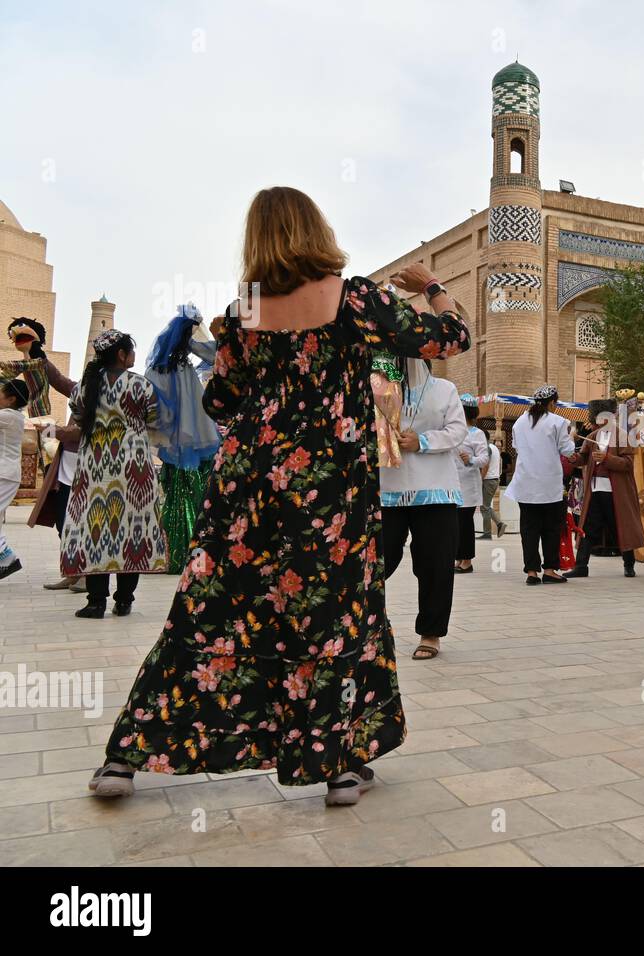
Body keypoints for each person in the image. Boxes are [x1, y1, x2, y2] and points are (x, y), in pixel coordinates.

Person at [89, 185, 471, 805]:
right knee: (337, 618)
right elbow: (452, 336)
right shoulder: (357, 300)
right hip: (332, 496)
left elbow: (221, 401)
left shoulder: (245, 309)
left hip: (249, 490)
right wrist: (432, 286)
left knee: (206, 615)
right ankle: (341, 767)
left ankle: (123, 762)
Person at [377, 308, 468, 662]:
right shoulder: (379, 389)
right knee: (376, 561)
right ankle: (371, 624)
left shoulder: (444, 389)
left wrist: (423, 441)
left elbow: (457, 431)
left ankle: (430, 633)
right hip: (388, 490)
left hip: (436, 490)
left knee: (434, 564)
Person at [60, 331, 168, 617]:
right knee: (132, 529)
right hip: (133, 466)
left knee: (94, 530)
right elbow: (156, 420)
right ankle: (124, 600)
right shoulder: (141, 386)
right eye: (130, 351)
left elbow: (79, 418)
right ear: (121, 355)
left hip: (94, 467)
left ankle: (96, 602)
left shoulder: (84, 386)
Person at [144, 304, 223, 574]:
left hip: (174, 446)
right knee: (193, 499)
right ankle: (190, 556)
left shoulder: (159, 370)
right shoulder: (184, 369)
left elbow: (154, 410)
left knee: (176, 500)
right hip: (196, 444)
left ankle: (175, 556)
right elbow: (216, 354)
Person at [13, 331, 84, 590]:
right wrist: (35, 353)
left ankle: (86, 575)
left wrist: (50, 430)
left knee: (79, 525)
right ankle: (72, 572)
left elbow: (82, 431)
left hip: (87, 470)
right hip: (65, 469)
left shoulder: (104, 398)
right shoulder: (81, 390)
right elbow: (57, 379)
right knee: (63, 523)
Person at [567, 397, 644, 579]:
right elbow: (583, 457)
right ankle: (581, 566)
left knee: (620, 526)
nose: (598, 422)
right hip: (594, 490)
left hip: (616, 492)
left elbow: (628, 464)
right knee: (587, 526)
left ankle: (629, 564)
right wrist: (574, 459)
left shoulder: (623, 436)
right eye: (596, 418)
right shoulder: (592, 436)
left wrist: (606, 459)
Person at [506, 385, 574, 585]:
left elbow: (518, 447)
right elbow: (567, 450)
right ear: (552, 402)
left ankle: (532, 572)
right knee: (551, 529)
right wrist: (572, 438)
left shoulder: (519, 423)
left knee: (529, 529)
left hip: (526, 484)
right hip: (548, 484)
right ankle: (550, 570)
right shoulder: (559, 422)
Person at [453, 396, 490, 573]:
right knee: (455, 524)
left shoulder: (477, 434)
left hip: (468, 486)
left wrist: (471, 460)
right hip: (452, 484)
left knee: (465, 524)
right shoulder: (452, 431)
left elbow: (484, 458)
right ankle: (459, 557)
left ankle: (467, 560)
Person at [0, 378, 30, 581]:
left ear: (11, 399)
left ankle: (7, 556)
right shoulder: (12, 416)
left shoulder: (9, 416)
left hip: (4, 474)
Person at [479, 437, 504, 539]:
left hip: (488, 480)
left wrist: (480, 479)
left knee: (484, 507)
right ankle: (499, 524)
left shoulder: (487, 448)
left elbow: (486, 465)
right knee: (486, 506)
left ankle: (487, 533)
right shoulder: (494, 448)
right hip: (494, 479)